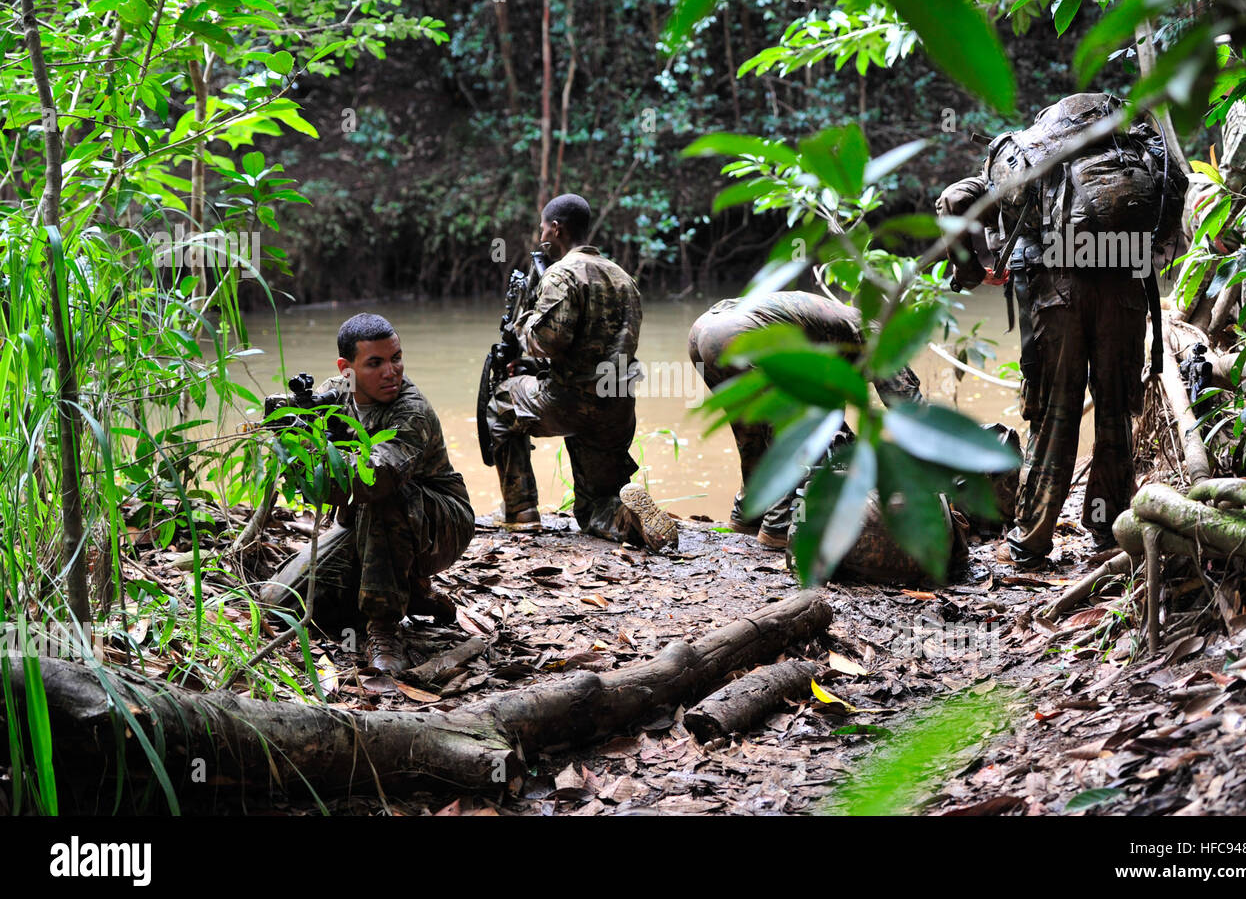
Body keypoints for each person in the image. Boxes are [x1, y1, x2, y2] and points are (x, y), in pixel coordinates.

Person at [937, 93, 1186, 568]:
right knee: (1115, 408)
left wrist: (975, 270)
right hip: (1124, 288)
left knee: (1055, 411)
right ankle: (1109, 529)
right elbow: (1172, 200)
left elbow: (954, 200)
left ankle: (1031, 540)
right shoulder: (1133, 148)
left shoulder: (1030, 152)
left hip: (1058, 295)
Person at [262, 313, 475, 673]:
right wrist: (287, 433)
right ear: (346, 369)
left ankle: (385, 628)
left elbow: (374, 479)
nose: (391, 371)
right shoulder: (335, 394)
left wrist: (311, 457)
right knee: (279, 604)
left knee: (382, 494)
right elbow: (314, 481)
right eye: (375, 363)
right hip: (363, 522)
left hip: (440, 522)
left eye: (396, 358)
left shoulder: (410, 411)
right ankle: (414, 592)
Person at [485, 193, 678, 551]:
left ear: (556, 229)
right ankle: (629, 519)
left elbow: (549, 341)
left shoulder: (560, 275)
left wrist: (522, 324)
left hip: (570, 400)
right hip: (617, 407)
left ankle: (521, 511)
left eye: (544, 228)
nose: (542, 234)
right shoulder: (623, 278)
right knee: (594, 508)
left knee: (500, 402)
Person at [687, 291, 922, 549]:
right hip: (742, 334)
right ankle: (778, 527)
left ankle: (748, 516)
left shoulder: (842, 326)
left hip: (705, 331)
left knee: (750, 429)